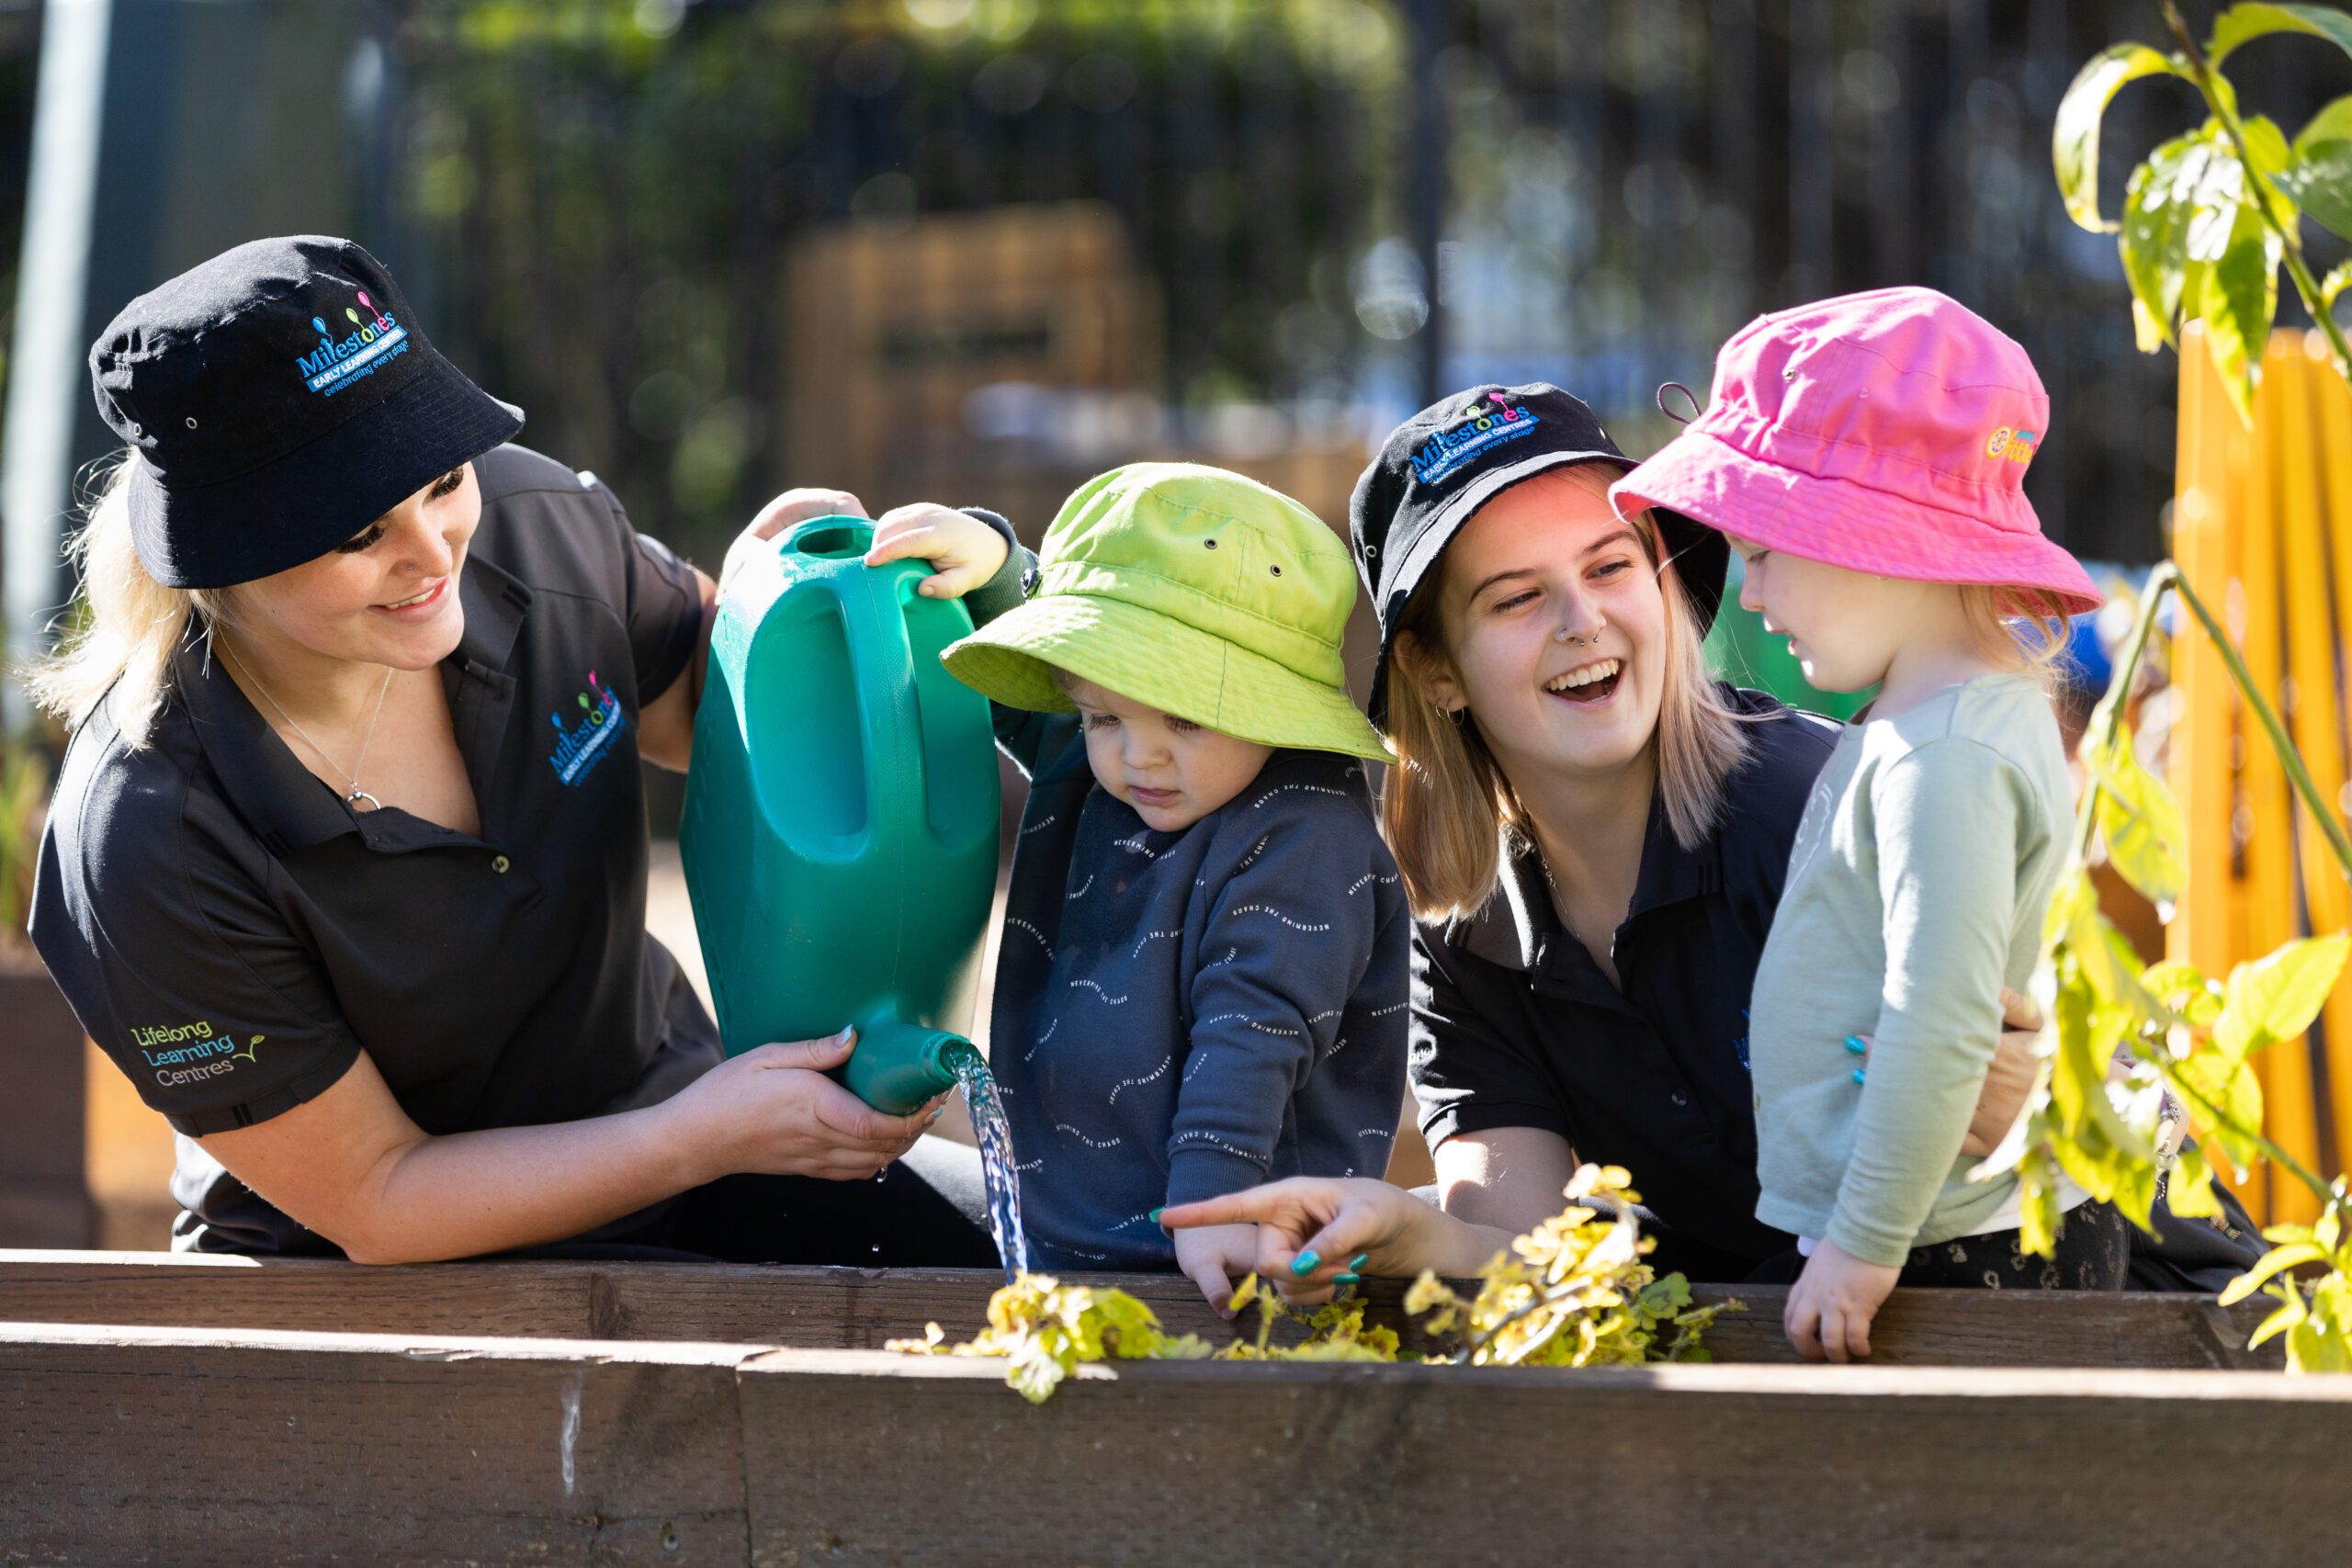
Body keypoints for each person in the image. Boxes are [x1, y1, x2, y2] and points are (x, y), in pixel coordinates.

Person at [1162, 378, 2260, 1320]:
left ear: (1663, 585)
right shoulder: (1463, 932)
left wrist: (2034, 1085)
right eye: (1513, 599)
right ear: (1435, 671)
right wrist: (1401, 1229)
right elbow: (1534, 1260)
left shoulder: (1824, 805)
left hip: (2126, 1341)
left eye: (1607, 567)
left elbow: (2113, 1098)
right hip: (1802, 1392)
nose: (1580, 621)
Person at [28, 235, 997, 1265]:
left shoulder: (544, 526)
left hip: (688, 1131)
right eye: (359, 536)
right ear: (216, 554)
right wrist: (698, 1137)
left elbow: (729, 735)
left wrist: (783, 611)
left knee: (1062, 1261)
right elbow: (377, 1200)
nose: (432, 551)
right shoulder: (146, 839)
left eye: (442, 477)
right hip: (369, 1291)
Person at [1611, 287, 2127, 1359]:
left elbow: (1939, 1013)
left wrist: (1861, 1240)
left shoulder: (1942, 755)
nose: (1748, 598)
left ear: (1868, 537)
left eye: (1763, 553)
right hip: (1927, 1227)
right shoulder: (1944, 718)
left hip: (1945, 1243)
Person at [863, 463, 1409, 1314]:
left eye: (1185, 718)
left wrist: (1217, 1198)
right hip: (1069, 1229)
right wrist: (993, 567)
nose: (1136, 755)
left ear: (1277, 708)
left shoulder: (1305, 834)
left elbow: (1255, 1024)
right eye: (1101, 714)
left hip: (1240, 1247)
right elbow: (1037, 693)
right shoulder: (1105, 767)